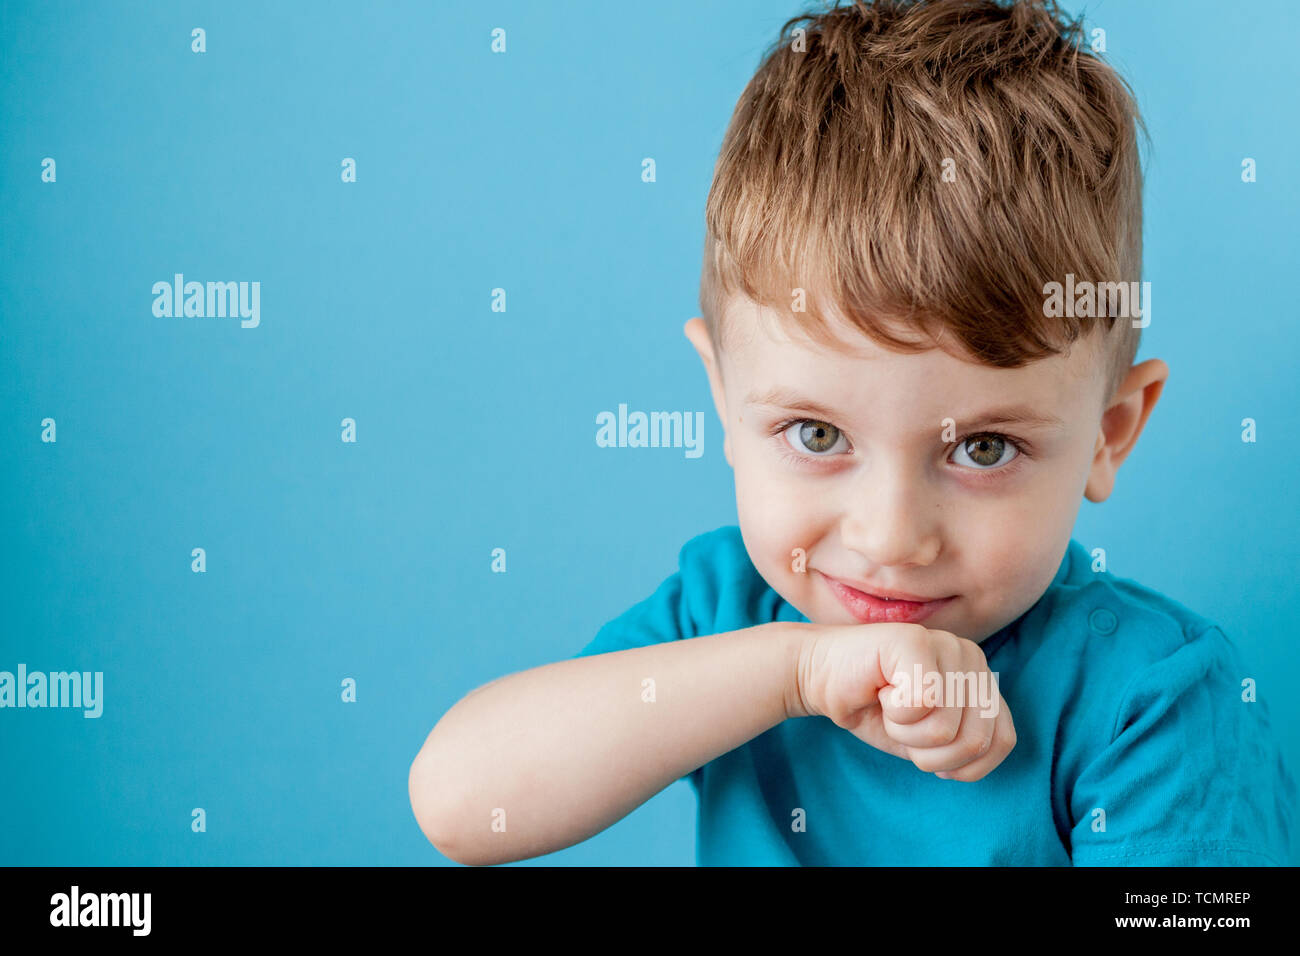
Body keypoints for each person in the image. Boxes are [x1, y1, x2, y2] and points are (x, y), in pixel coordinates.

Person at [408, 0, 1295, 866]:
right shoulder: (723, 615)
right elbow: (459, 803)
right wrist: (792, 674)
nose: (890, 538)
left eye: (982, 448)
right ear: (723, 399)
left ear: (1108, 434)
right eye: (817, 435)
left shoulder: (1158, 699)